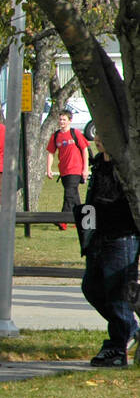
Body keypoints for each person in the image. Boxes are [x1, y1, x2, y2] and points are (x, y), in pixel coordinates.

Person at [78, 145, 139, 367]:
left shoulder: (125, 167)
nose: (98, 139)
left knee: (118, 292)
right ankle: (131, 329)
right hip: (97, 235)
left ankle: (118, 346)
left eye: (103, 136)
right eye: (97, 135)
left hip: (121, 235)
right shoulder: (99, 166)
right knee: (91, 287)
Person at [47, 109, 90, 231]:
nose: (61, 122)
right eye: (60, 119)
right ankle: (82, 220)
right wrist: (49, 168)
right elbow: (51, 153)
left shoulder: (75, 133)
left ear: (70, 121)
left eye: (64, 120)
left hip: (75, 169)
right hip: (64, 171)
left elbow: (85, 150)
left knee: (69, 195)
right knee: (74, 196)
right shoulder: (56, 136)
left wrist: (85, 169)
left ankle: (63, 220)